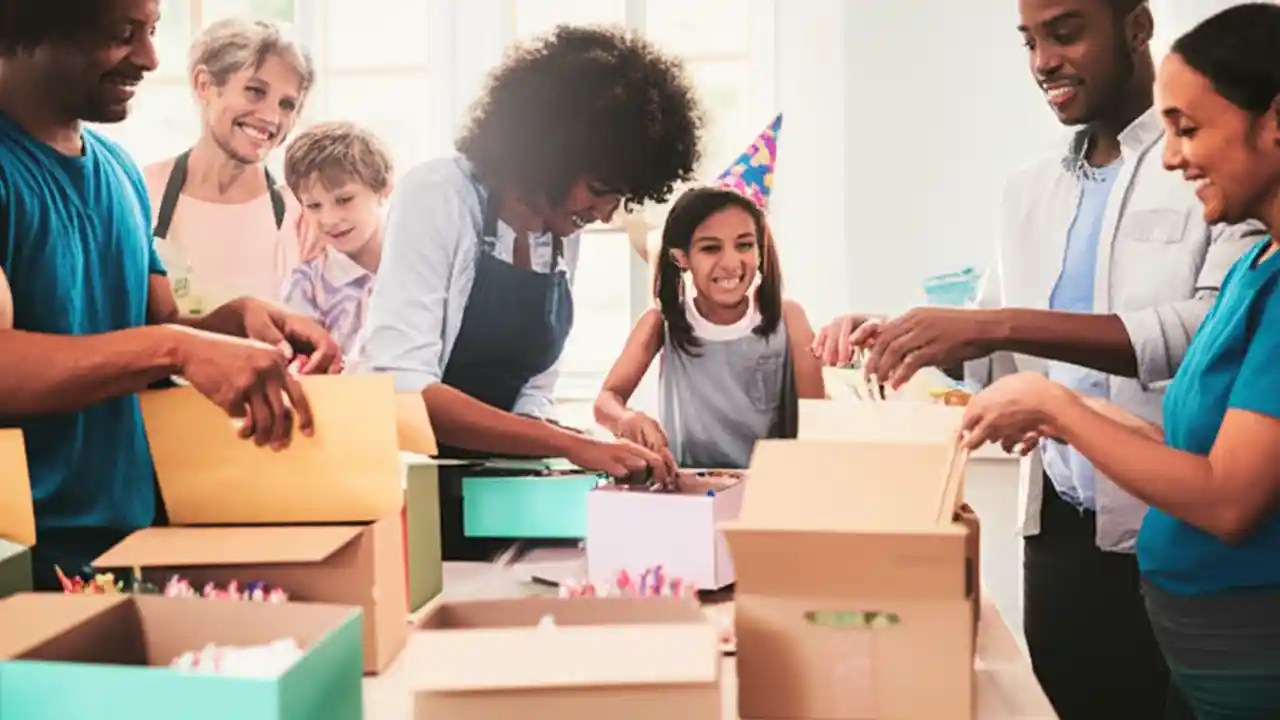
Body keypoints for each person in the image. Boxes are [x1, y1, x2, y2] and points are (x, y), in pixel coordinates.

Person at [813, 0, 1261, 717]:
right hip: (1058, 537)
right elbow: (1001, 360)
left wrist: (995, 327)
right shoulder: (1027, 191)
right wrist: (900, 334)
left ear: (1137, 27)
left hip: (1168, 531)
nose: (1043, 61)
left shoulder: (1209, 168)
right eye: (1029, 41)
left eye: (1065, 32)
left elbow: (1203, 330)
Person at [962, 9, 1280, 717]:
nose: (1171, 156)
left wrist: (1059, 407)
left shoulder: (1255, 257)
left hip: (1240, 654)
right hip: (1173, 635)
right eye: (1029, 40)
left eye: (1189, 129)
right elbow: (1192, 439)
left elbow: (1228, 497)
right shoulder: (1257, 268)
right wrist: (1063, 414)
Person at [0, 0, 341, 591]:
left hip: (129, 543)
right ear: (30, 28)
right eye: (121, 34)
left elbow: (153, 324)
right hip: (19, 559)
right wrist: (178, 348)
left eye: (151, 31)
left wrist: (233, 323)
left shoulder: (118, 170)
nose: (149, 58)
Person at [357, 25, 704, 484]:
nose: (603, 215)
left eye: (617, 199)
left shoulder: (561, 235)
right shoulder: (438, 196)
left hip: (491, 482)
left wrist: (588, 443)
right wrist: (573, 444)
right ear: (549, 157)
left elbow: (532, 396)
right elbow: (404, 389)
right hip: (401, 480)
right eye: (598, 191)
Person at [595, 118, 826, 469]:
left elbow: (816, 424)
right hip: (691, 490)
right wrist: (626, 419)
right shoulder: (663, 322)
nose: (731, 263)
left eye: (744, 245)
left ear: (760, 250)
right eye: (710, 248)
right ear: (681, 257)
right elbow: (606, 400)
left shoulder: (787, 319)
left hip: (770, 492)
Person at [143, 17, 315, 315]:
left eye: (287, 104)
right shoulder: (141, 192)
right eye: (255, 91)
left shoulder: (302, 215)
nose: (272, 117)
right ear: (204, 85)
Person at [282, 121, 393, 359]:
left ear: (383, 188)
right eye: (314, 205)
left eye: (344, 200)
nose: (329, 219)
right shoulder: (306, 286)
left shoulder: (421, 267)